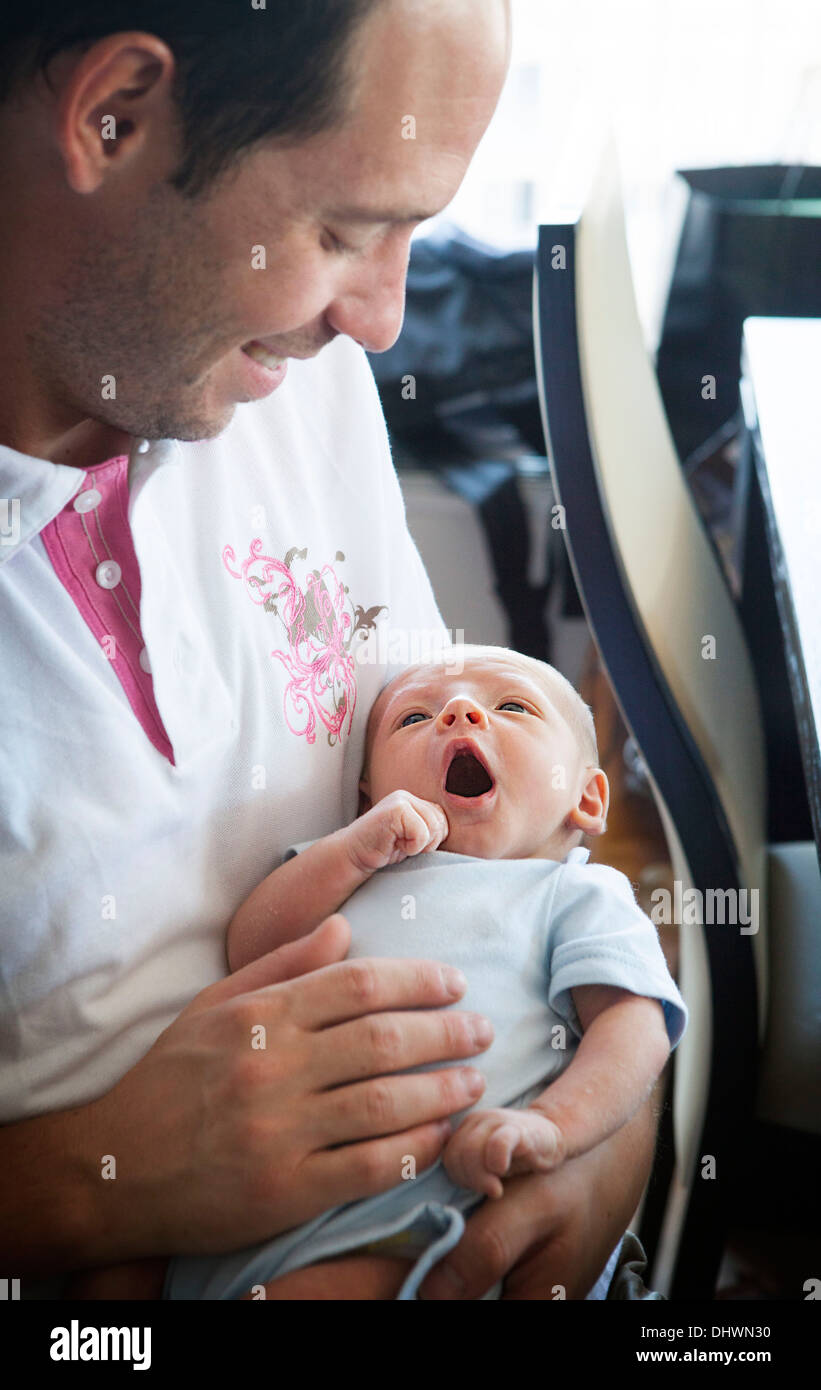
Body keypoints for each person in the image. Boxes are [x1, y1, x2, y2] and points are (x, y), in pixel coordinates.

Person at [0, 1, 661, 1301]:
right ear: (112, 112)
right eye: (346, 230)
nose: (383, 319)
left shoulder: (271, 382)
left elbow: (499, 828)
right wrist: (89, 1175)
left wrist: (601, 1144)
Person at [66, 646, 686, 1300]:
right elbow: (254, 948)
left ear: (586, 797)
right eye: (412, 719)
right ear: (368, 790)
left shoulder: (574, 893)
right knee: (112, 1274)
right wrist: (354, 850)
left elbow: (631, 1025)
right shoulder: (352, 866)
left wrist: (555, 1127)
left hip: (426, 1209)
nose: (457, 712)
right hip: (247, 1191)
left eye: (511, 707)